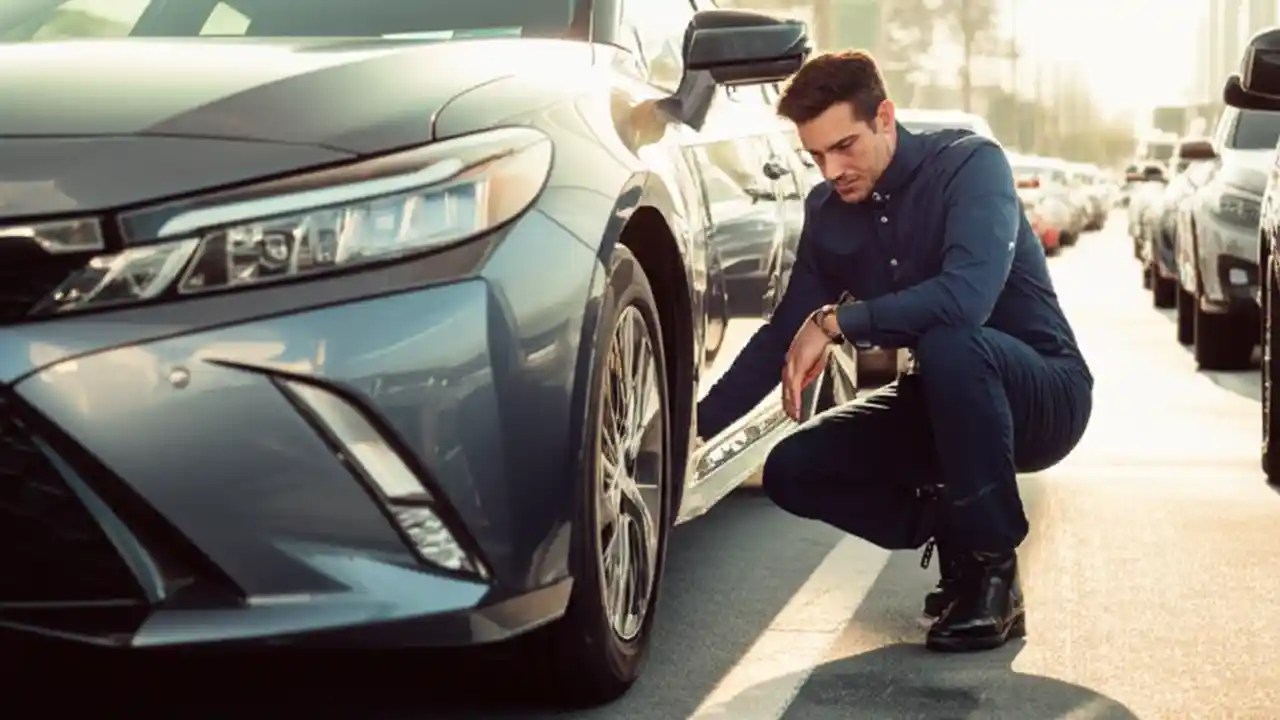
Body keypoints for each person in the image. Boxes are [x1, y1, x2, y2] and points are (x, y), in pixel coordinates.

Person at [695, 50, 1093, 653]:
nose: (833, 170)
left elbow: (965, 301)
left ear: (884, 117)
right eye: (816, 156)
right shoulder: (828, 213)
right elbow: (781, 336)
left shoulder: (970, 167)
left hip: (1042, 396)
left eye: (845, 146)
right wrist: (692, 432)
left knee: (952, 343)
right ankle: (956, 528)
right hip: (938, 400)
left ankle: (992, 575)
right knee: (792, 470)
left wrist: (836, 322)